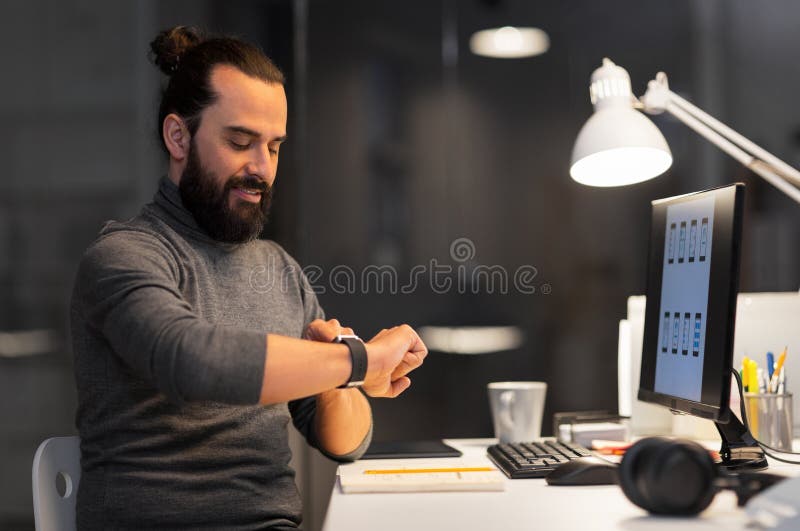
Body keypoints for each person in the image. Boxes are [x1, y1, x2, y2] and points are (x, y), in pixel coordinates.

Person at [70, 26, 427, 530]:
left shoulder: (278, 270)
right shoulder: (124, 256)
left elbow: (345, 443)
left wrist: (338, 375)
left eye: (275, 147)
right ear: (178, 136)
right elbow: (192, 362)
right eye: (240, 142)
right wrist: (357, 359)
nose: (262, 168)